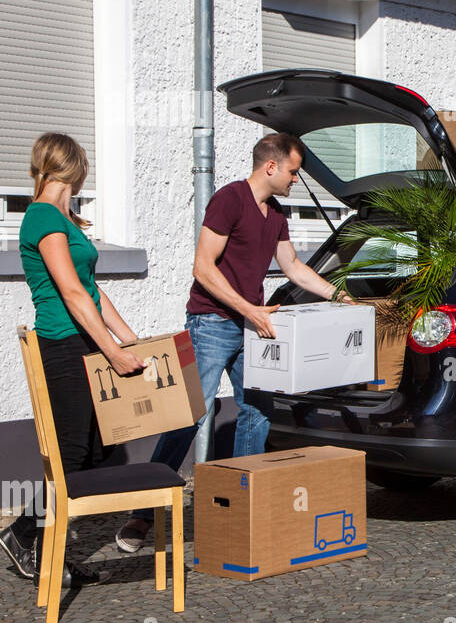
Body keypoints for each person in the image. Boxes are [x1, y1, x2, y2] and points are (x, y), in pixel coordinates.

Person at [115, 133, 353, 552]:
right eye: (294, 171)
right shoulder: (229, 199)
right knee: (190, 414)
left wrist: (339, 295)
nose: (296, 180)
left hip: (252, 325)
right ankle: (141, 512)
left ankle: (243, 506)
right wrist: (249, 309)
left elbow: (293, 267)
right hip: (212, 322)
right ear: (271, 166)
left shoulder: (276, 214)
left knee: (258, 411)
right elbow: (203, 268)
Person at [0, 133, 146, 587]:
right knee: (72, 453)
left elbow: (94, 290)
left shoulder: (67, 219)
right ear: (71, 167)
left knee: (97, 447)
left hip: (86, 343)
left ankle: (37, 541)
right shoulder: (42, 217)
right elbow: (72, 293)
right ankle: (36, 546)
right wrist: (113, 352)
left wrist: (130, 339)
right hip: (63, 345)